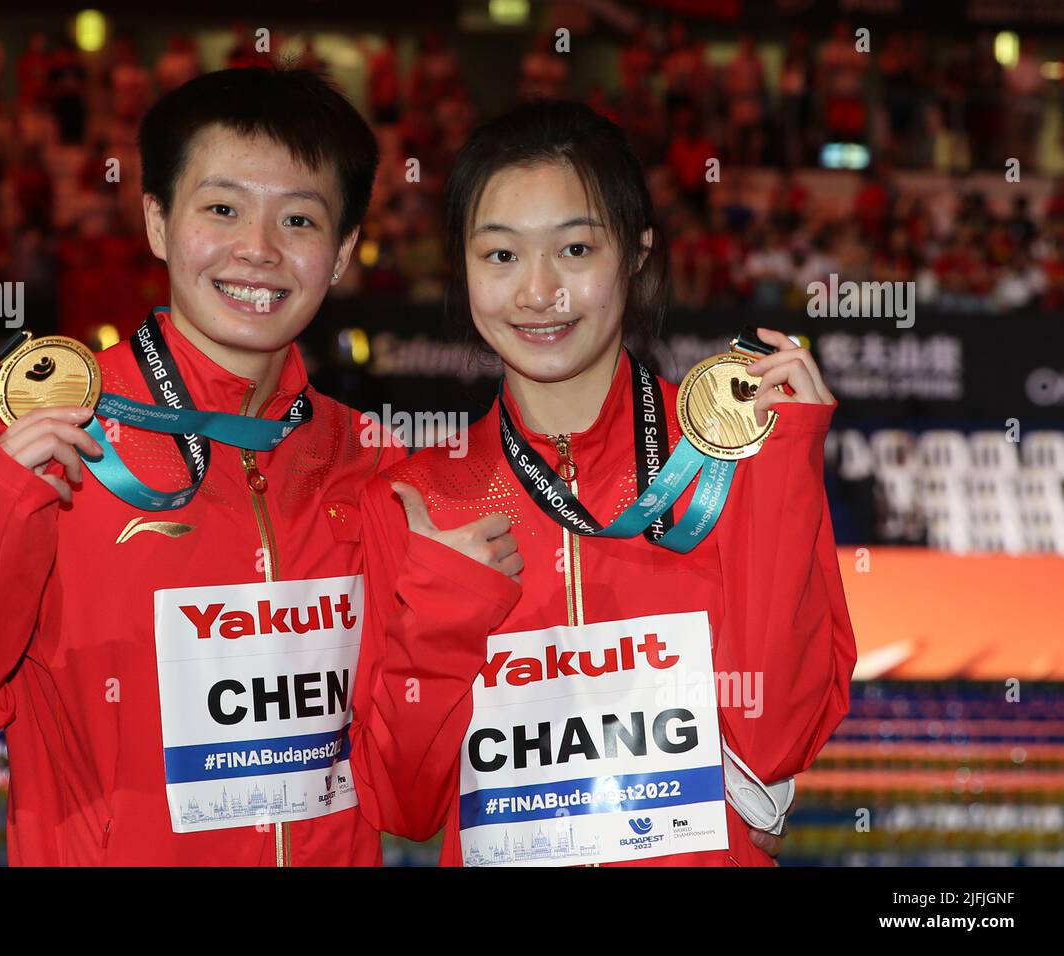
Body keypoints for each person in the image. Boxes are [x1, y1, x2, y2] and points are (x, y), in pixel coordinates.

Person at [0, 67, 401, 866]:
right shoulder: (49, 431)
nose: (257, 250)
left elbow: (412, 771)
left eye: (299, 219)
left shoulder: (371, 458)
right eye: (221, 209)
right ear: (156, 220)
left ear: (343, 253)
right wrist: (0, 505)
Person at [348, 101, 855, 867]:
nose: (538, 291)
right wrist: (444, 615)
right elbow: (403, 806)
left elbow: (775, 742)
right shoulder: (420, 496)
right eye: (501, 256)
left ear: (637, 253)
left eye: (576, 249)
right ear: (461, 264)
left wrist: (781, 466)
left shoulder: (728, 455)